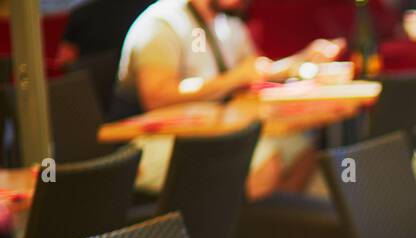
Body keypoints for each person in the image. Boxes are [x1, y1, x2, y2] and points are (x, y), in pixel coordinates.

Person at [115, 0, 344, 197]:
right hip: (154, 142)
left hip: (212, 133)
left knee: (302, 151)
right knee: (264, 164)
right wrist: (233, 79)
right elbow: (156, 97)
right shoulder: (161, 24)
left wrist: (303, 61)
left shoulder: (226, 24)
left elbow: (254, 71)